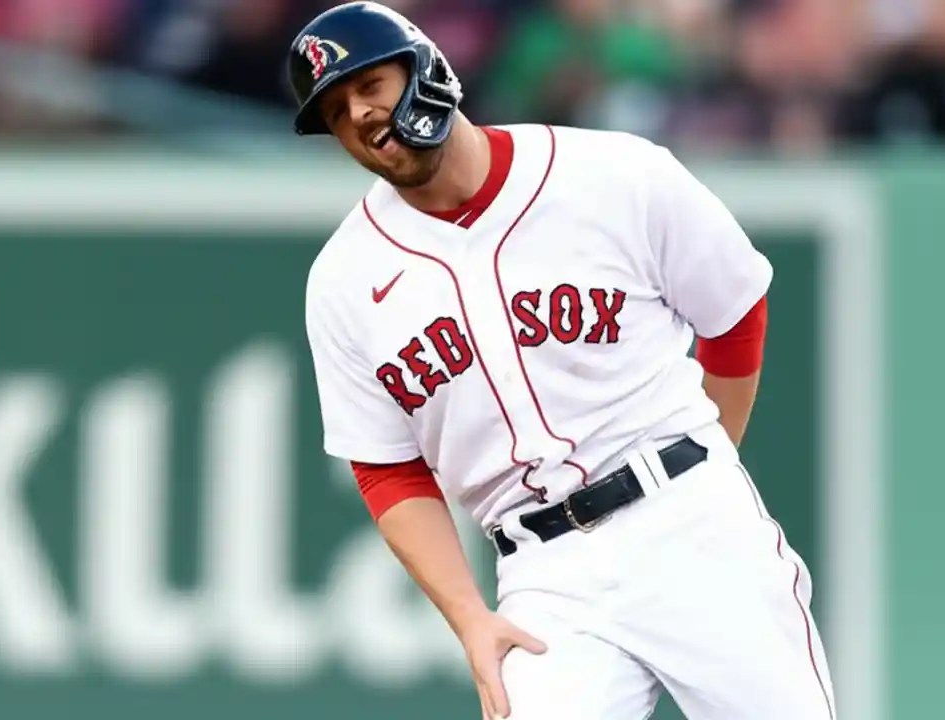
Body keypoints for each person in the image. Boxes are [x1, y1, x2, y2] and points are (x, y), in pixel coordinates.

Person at [290, 3, 835, 718]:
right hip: (542, 570)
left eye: (369, 86)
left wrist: (707, 460)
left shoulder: (610, 173)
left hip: (689, 521)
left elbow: (733, 310)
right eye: (334, 113)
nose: (358, 115)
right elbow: (386, 467)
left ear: (429, 67)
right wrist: (467, 617)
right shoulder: (345, 278)